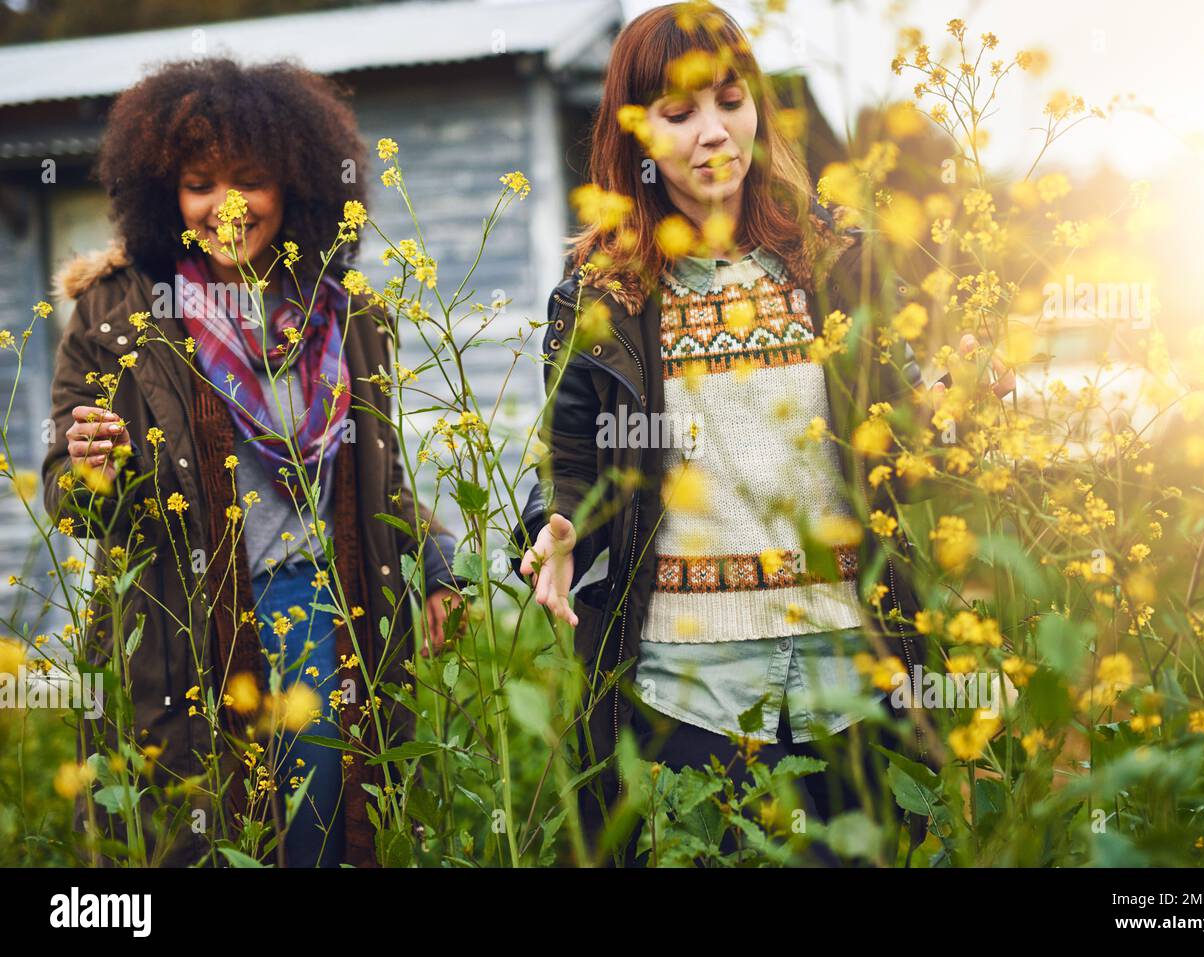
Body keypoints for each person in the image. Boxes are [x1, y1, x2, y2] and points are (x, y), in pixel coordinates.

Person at [514, 2, 1014, 864]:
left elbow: (902, 445)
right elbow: (567, 463)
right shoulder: (600, 296)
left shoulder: (840, 267)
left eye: (731, 102)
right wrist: (552, 530)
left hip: (851, 674)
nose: (715, 134)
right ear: (635, 136)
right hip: (688, 689)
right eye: (679, 115)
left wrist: (955, 407)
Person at [43, 59, 460, 867]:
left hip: (323, 621)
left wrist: (439, 563)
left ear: (295, 183)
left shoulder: (349, 313)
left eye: (250, 180)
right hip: (180, 628)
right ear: (167, 194)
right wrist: (95, 470)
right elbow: (67, 490)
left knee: (318, 842)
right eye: (200, 184)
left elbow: (381, 479)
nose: (225, 206)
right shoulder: (118, 309)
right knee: (192, 841)